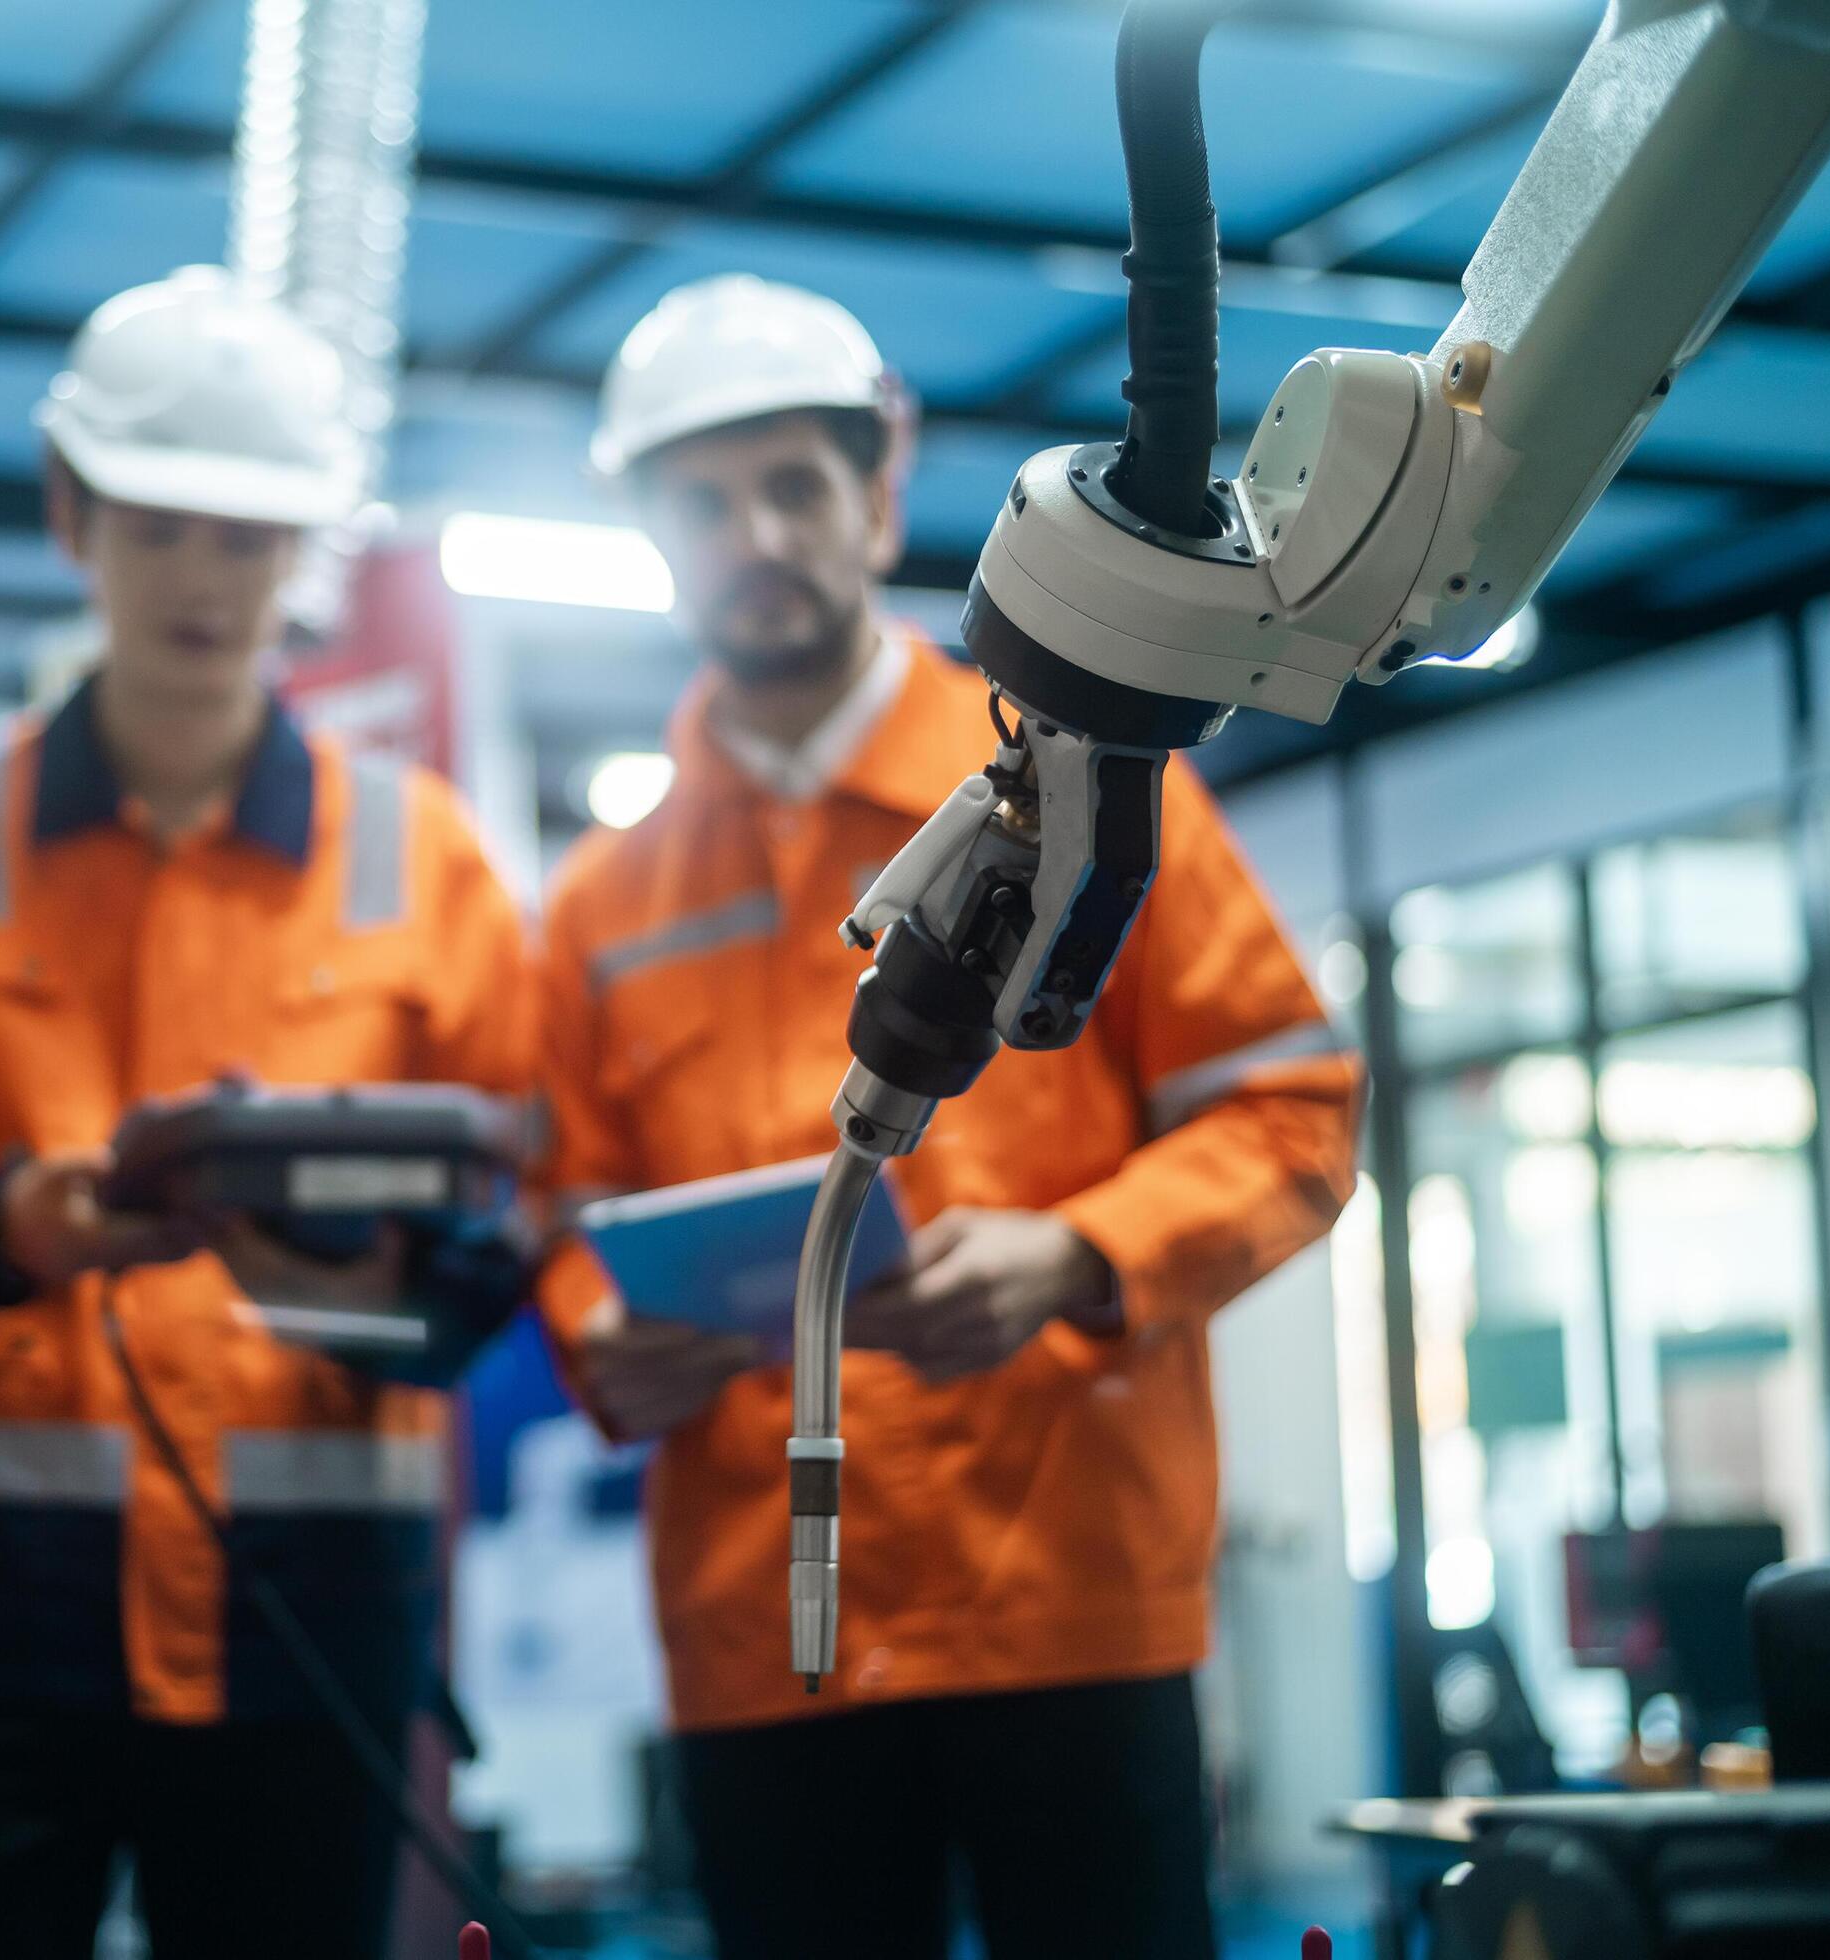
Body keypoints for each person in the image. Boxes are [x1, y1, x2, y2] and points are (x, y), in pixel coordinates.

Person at [536, 274, 1362, 1960]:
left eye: (793, 484)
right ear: (647, 527)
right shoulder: (598, 902)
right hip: (763, 1633)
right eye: (702, 500)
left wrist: (1073, 1255)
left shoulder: (1091, 788)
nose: (754, 533)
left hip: (1063, 1600)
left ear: (879, 484)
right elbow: (563, 1212)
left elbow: (1289, 1114)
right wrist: (600, 1344)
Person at [0, 266, 535, 1960]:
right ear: (73, 513)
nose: (206, 582)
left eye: (248, 535)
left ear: (306, 551)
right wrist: (8, 1225)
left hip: (302, 1625)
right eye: (161, 527)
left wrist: (360, 1264)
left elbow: (510, 1235)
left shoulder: (424, 862)